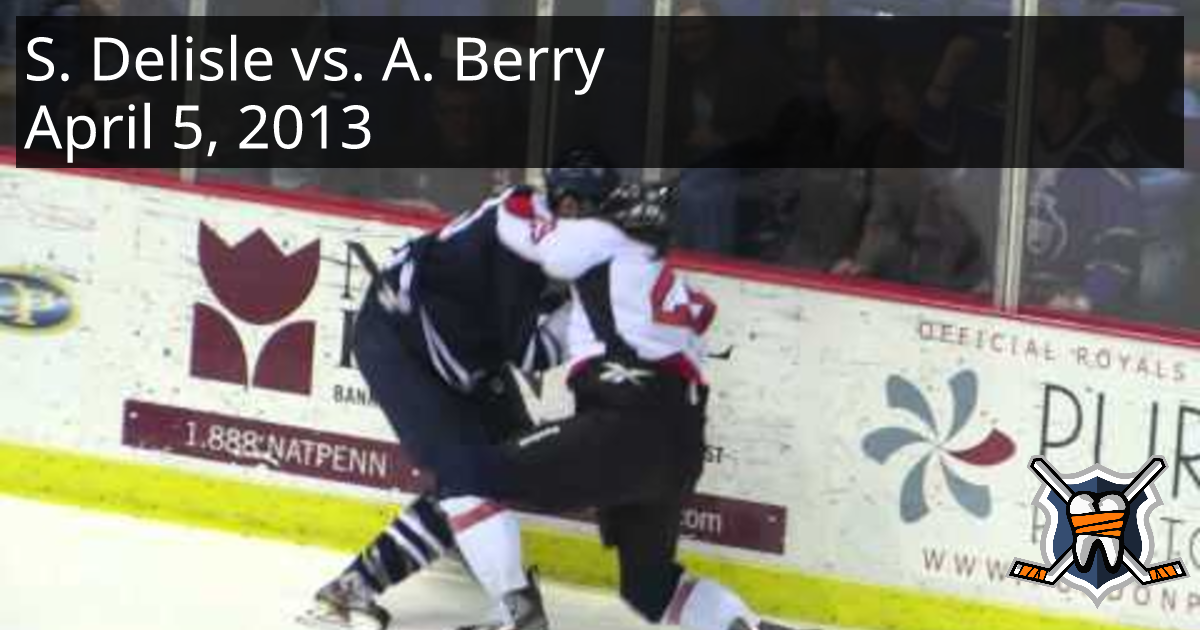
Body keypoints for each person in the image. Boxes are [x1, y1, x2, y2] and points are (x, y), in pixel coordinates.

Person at [299, 149, 623, 630]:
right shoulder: (521, 244)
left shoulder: (537, 222)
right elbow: (532, 353)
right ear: (571, 205)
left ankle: (362, 586)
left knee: (503, 459)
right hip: (401, 343)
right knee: (469, 475)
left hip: (458, 345)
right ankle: (511, 607)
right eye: (602, 211)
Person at [435, 182, 782, 630]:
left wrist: (518, 196)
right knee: (649, 588)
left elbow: (521, 227)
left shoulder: (604, 242)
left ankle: (518, 617)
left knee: (467, 477)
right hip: (678, 450)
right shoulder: (671, 283)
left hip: (622, 429)